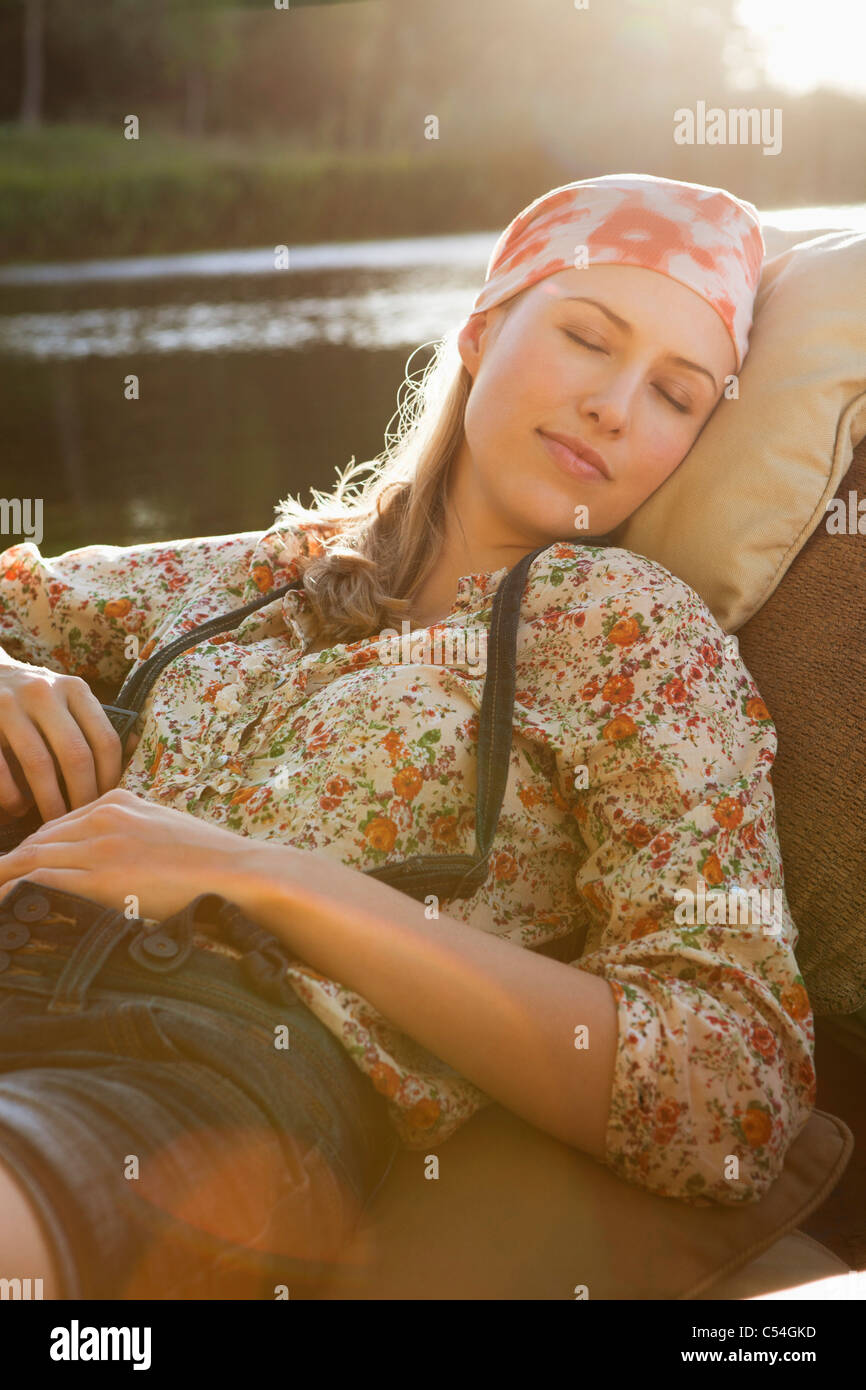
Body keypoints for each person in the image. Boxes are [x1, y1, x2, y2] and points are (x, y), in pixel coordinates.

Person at [0, 173, 814, 1301]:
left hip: (193, 1082)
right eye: (587, 337)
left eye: (674, 395)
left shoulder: (632, 635)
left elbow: (726, 1086)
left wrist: (264, 878)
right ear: (481, 331)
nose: (615, 407)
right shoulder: (274, 569)